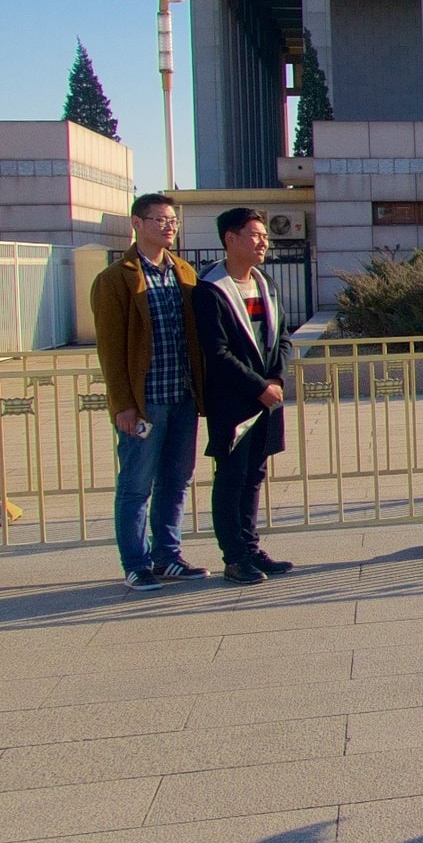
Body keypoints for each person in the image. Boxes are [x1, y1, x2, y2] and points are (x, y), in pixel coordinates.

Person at [90, 193, 205, 590]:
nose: (168, 226)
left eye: (172, 220)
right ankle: (136, 563)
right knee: (136, 484)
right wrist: (123, 404)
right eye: (159, 219)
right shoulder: (115, 279)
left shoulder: (184, 273)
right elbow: (110, 349)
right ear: (136, 224)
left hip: (183, 396)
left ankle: (168, 556)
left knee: (176, 480)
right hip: (145, 402)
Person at [192, 206, 295, 585]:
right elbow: (216, 353)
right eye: (254, 235)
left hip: (268, 396)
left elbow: (282, 336)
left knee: (254, 475)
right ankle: (234, 558)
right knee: (231, 478)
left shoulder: (265, 281)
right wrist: (258, 386)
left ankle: (251, 549)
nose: (263, 242)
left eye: (265, 236)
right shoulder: (210, 290)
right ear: (229, 239)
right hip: (234, 401)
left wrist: (277, 380)